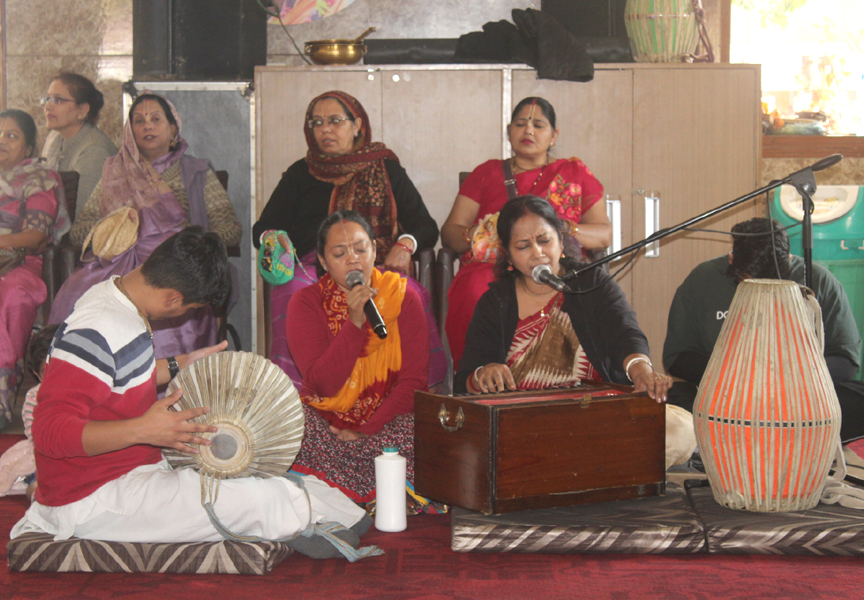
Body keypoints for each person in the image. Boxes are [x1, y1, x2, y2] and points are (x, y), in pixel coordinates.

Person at [12, 227, 370, 553]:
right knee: (263, 498)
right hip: (90, 495)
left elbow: (115, 376)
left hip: (134, 467)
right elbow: (49, 432)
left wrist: (180, 364)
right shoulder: (97, 327)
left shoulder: (119, 297)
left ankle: (320, 509)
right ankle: (300, 520)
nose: (185, 315)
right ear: (172, 298)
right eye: (190, 308)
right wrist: (142, 429)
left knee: (264, 471)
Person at [455, 196, 694, 469]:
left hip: (595, 418)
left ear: (560, 239)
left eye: (544, 240)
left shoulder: (591, 283)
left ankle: (573, 468)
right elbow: (465, 380)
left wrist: (642, 372)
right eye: (523, 246)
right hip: (525, 427)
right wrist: (483, 373)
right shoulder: (495, 303)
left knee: (682, 429)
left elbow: (625, 334)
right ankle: (593, 469)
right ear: (508, 255)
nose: (537, 252)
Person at [251, 90, 444, 391]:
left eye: (335, 121)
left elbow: (426, 226)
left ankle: (408, 393)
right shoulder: (301, 173)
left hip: (373, 264)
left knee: (409, 296)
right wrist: (274, 239)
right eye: (316, 122)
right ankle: (299, 396)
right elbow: (263, 227)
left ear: (357, 125)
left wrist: (405, 245)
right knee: (295, 298)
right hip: (312, 268)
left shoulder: (385, 167)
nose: (324, 129)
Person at [48, 92, 241, 361]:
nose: (147, 125)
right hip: (116, 267)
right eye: (138, 120)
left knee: (176, 299)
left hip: (178, 267)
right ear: (130, 131)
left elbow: (230, 230)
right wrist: (117, 229)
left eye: (155, 119)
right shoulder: (116, 172)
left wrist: (187, 241)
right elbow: (81, 232)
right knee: (82, 299)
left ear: (173, 127)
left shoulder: (195, 171)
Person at [441, 96, 613, 368]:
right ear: (509, 131)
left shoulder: (574, 173)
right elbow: (450, 231)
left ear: (554, 135)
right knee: (476, 290)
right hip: (494, 267)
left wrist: (563, 229)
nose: (529, 131)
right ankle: (479, 375)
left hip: (557, 267)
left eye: (538, 125)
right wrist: (477, 234)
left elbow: (603, 235)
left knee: (575, 292)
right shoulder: (486, 173)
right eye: (521, 124)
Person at [663, 217, 864, 442]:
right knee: (661, 405)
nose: (762, 292)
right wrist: (740, 376)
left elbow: (846, 361)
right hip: (726, 396)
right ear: (732, 260)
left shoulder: (819, 281)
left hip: (800, 399)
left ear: (788, 260)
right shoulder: (703, 279)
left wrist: (790, 377)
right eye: (749, 282)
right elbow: (677, 358)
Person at [286, 210, 429, 503]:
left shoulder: (402, 297)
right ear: (323, 262)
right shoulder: (306, 302)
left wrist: (367, 431)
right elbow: (321, 385)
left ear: (375, 251)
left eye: (361, 249)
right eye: (339, 253)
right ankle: (373, 491)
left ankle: (333, 493)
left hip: (387, 424)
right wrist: (353, 324)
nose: (353, 259)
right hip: (328, 426)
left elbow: (414, 381)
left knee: (427, 428)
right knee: (294, 426)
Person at [0, 109, 67, 432]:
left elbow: (35, 237)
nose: (0, 140)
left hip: (17, 263)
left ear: (28, 148)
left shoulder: (39, 179)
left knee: (0, 297)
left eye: (12, 136)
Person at [0, 323, 58, 500]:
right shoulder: (34, 397)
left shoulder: (87, 391)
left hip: (80, 448)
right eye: (47, 372)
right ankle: (36, 491)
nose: (59, 377)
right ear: (37, 373)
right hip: (45, 452)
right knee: (31, 472)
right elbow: (34, 434)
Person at [40, 73, 117, 216]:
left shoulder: (94, 151)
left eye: (58, 100)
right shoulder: (54, 137)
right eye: (47, 99)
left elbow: (85, 219)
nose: (48, 106)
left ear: (82, 110)